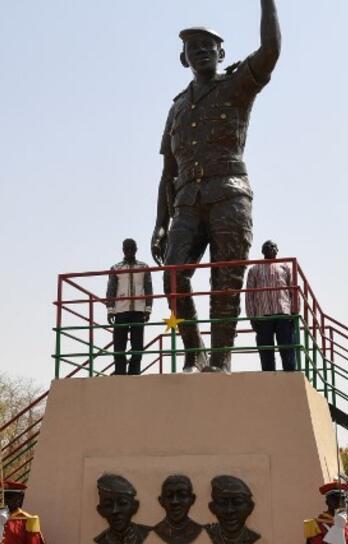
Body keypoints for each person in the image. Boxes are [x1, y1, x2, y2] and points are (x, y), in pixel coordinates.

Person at [150, 0, 282, 374]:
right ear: (184, 58)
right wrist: (159, 223)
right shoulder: (177, 108)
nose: (202, 52)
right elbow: (168, 171)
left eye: (209, 46)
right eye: (194, 48)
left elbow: (270, 51)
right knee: (173, 275)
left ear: (222, 54)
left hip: (229, 193)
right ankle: (195, 353)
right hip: (186, 201)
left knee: (226, 280)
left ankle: (221, 359)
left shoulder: (236, 86)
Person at [244, 240, 297, 371]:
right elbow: (249, 296)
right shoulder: (254, 270)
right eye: (267, 246)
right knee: (265, 348)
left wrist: (294, 313)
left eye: (273, 246)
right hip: (263, 314)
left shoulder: (285, 267)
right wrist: (252, 317)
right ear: (262, 251)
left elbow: (293, 291)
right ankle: (268, 374)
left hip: (283, 313)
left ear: (277, 250)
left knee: (286, 346)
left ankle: (290, 373)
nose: (271, 248)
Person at [105, 238, 154, 375]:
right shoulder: (116, 268)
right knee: (119, 344)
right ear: (123, 250)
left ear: (136, 249)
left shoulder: (144, 267)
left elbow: (148, 288)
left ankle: (134, 371)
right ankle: (120, 371)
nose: (129, 251)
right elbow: (111, 290)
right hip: (121, 311)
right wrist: (110, 310)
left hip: (139, 310)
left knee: (137, 345)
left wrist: (148, 309)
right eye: (127, 249)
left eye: (132, 248)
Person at [0, 480, 48, 544]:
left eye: (10, 498)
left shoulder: (27, 520)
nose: (6, 501)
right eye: (4, 498)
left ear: (20, 499)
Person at [94, 474, 151, 544]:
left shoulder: (150, 534)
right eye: (108, 505)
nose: (115, 511)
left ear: (135, 506)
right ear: (100, 511)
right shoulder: (101, 541)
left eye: (122, 503)